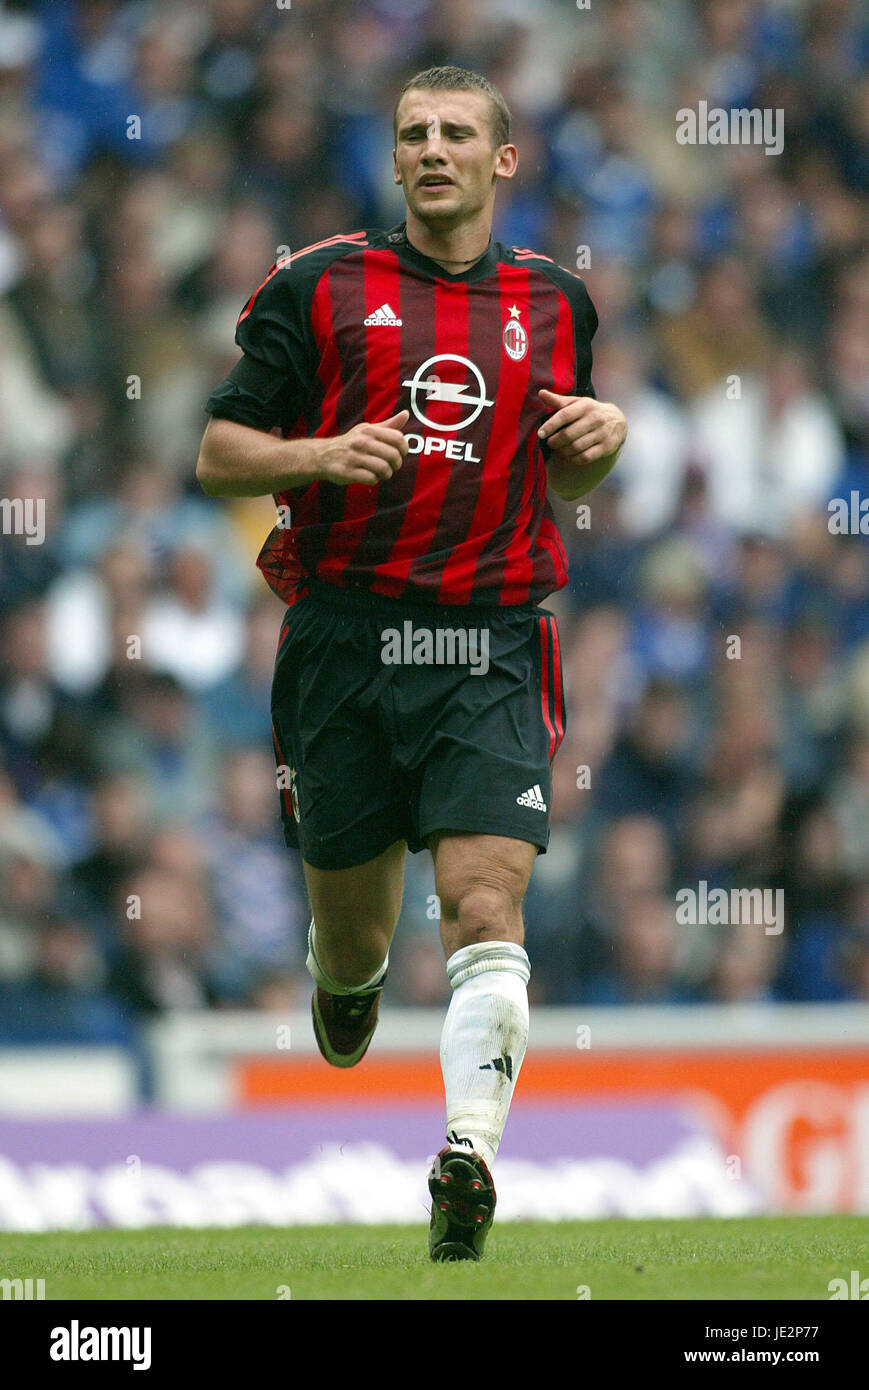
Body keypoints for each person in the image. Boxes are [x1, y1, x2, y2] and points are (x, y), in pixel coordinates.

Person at [197, 65, 626, 1261]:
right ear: (393, 161)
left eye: (454, 133)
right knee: (354, 945)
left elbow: (567, 466)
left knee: (485, 901)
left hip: (489, 639)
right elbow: (220, 451)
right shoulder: (318, 285)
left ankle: (467, 1152)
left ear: (504, 160)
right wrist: (323, 454)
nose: (430, 148)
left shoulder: (554, 302)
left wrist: (605, 437)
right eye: (410, 134)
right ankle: (344, 984)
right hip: (342, 642)